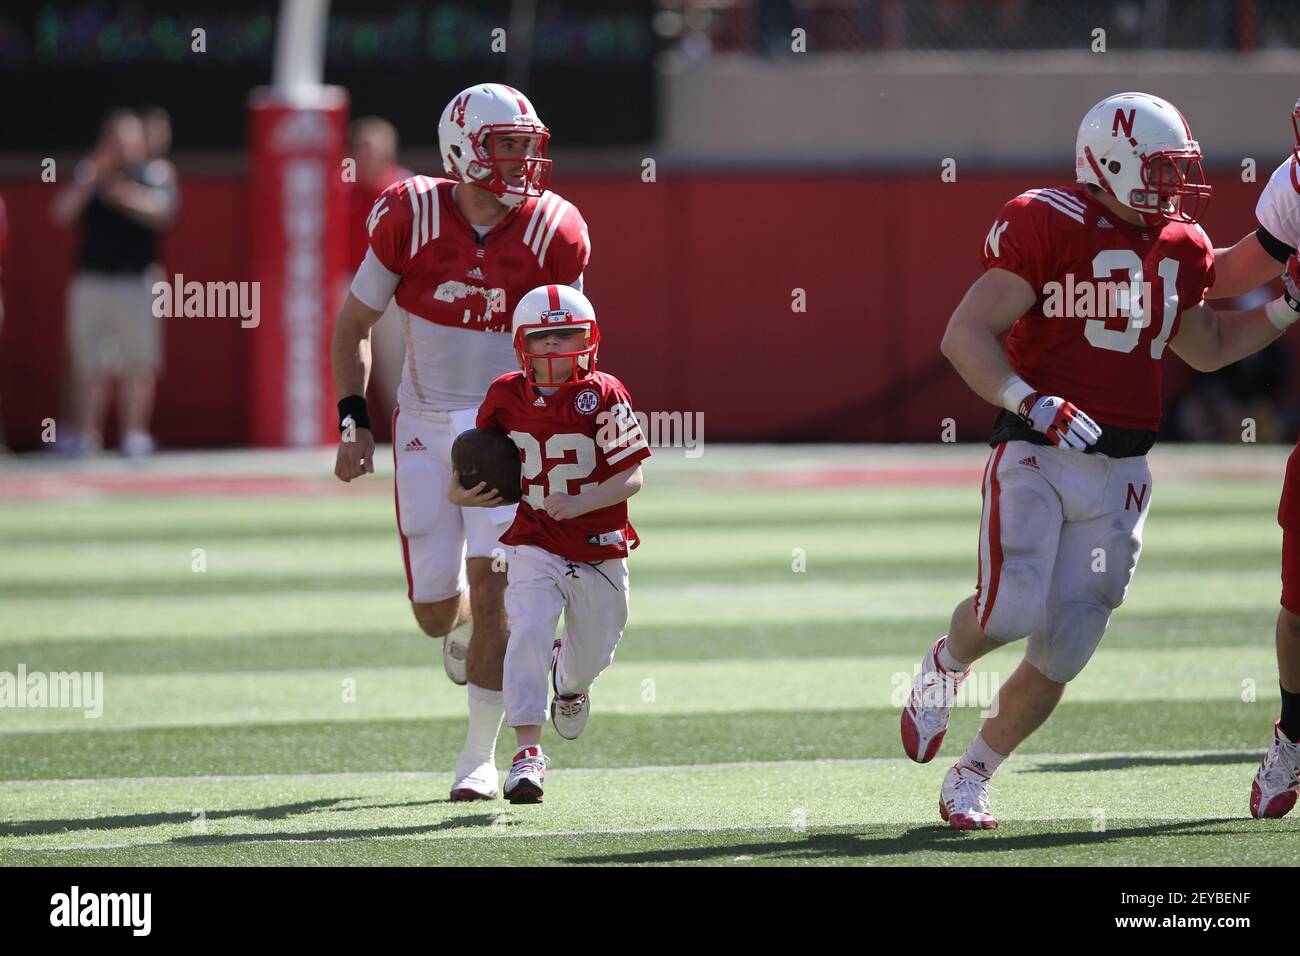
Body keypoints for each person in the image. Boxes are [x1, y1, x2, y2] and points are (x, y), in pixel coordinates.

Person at [899, 91, 1300, 829]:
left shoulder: (1178, 245)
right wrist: (1030, 400)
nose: (1174, 188)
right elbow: (966, 333)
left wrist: (1283, 310)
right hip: (1038, 450)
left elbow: (1205, 346)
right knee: (1010, 607)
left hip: (1124, 468)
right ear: (1108, 162)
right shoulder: (1047, 221)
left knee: (1071, 640)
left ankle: (974, 773)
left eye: (1179, 170)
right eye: (1158, 170)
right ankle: (944, 666)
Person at [331, 84, 591, 801]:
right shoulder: (409, 215)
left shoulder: (553, 232)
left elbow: (573, 347)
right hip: (423, 423)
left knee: (497, 585)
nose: (522, 160)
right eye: (507, 144)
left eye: (527, 144)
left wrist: (562, 437)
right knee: (436, 612)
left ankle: (477, 759)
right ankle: (470, 633)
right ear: (463, 148)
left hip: (504, 430)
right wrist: (355, 418)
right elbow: (353, 325)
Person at [466, 285, 649, 804]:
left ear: (589, 338)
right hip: (535, 538)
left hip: (598, 540)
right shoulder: (505, 394)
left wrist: (586, 498)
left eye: (567, 334)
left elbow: (632, 474)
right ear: (523, 343)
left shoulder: (605, 393)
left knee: (593, 652)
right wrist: (464, 487)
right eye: (544, 337)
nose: (556, 347)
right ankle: (527, 753)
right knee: (525, 629)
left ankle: (569, 685)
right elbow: (484, 459)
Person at [1206, 97, 1300, 819]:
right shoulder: (1295, 187)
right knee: (1298, 608)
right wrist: (1162, 257)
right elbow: (1235, 272)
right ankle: (1295, 733)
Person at [50, 108, 178, 457]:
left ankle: (134, 436)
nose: (121, 149)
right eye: (115, 141)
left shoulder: (154, 173)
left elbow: (165, 213)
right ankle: (87, 436)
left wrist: (126, 197)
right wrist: (92, 178)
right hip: (92, 281)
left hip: (137, 282)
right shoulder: (90, 173)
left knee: (138, 362)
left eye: (127, 141)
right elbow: (60, 212)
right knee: (89, 363)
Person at [347, 117, 412, 426]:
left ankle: (404, 427)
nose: (367, 156)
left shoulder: (404, 188)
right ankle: (345, 428)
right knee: (345, 354)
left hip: (391, 285)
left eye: (374, 150)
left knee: (394, 362)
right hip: (347, 282)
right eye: (362, 149)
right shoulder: (341, 185)